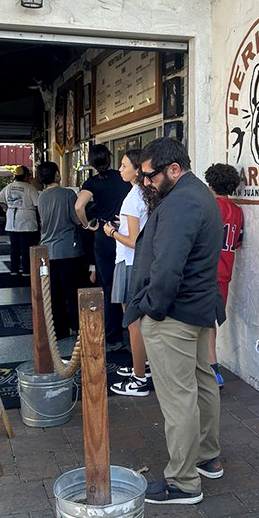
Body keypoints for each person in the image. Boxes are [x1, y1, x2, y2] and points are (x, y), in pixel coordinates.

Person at [124, 138, 225, 504]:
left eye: (149, 176)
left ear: (174, 169)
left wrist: (152, 308)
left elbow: (167, 267)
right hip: (197, 309)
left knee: (179, 396)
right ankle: (206, 457)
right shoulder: (198, 195)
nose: (145, 183)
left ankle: (183, 481)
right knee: (201, 382)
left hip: (174, 314)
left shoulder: (181, 202)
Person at [75, 145, 130, 350]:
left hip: (104, 236)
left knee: (108, 286)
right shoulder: (123, 177)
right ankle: (132, 331)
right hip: (125, 233)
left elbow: (79, 207)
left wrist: (86, 224)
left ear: (91, 162)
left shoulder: (92, 182)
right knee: (129, 282)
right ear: (110, 157)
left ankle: (113, 336)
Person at [105, 151, 150, 396]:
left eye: (124, 166)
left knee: (133, 323)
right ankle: (141, 366)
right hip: (138, 263)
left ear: (137, 170)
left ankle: (139, 378)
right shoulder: (145, 194)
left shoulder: (134, 198)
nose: (120, 169)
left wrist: (111, 232)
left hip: (130, 262)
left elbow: (134, 240)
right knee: (140, 322)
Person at [37, 161, 87, 339]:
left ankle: (59, 328)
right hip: (68, 249)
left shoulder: (41, 197)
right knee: (72, 291)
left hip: (47, 250)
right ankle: (76, 325)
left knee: (54, 292)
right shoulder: (68, 194)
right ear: (57, 174)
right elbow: (76, 218)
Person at [204, 163, 244, 387]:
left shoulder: (210, 207)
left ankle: (212, 369)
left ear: (210, 183)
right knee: (211, 322)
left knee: (202, 322)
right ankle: (210, 367)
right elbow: (237, 241)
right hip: (225, 272)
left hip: (207, 271)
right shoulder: (237, 211)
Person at [0, 166, 40, 276]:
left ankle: (14, 270)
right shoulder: (30, 188)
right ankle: (26, 270)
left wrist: (7, 209)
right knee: (26, 248)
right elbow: (37, 204)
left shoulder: (9, 187)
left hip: (12, 220)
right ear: (26, 176)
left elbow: (0, 200)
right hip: (27, 220)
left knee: (14, 248)